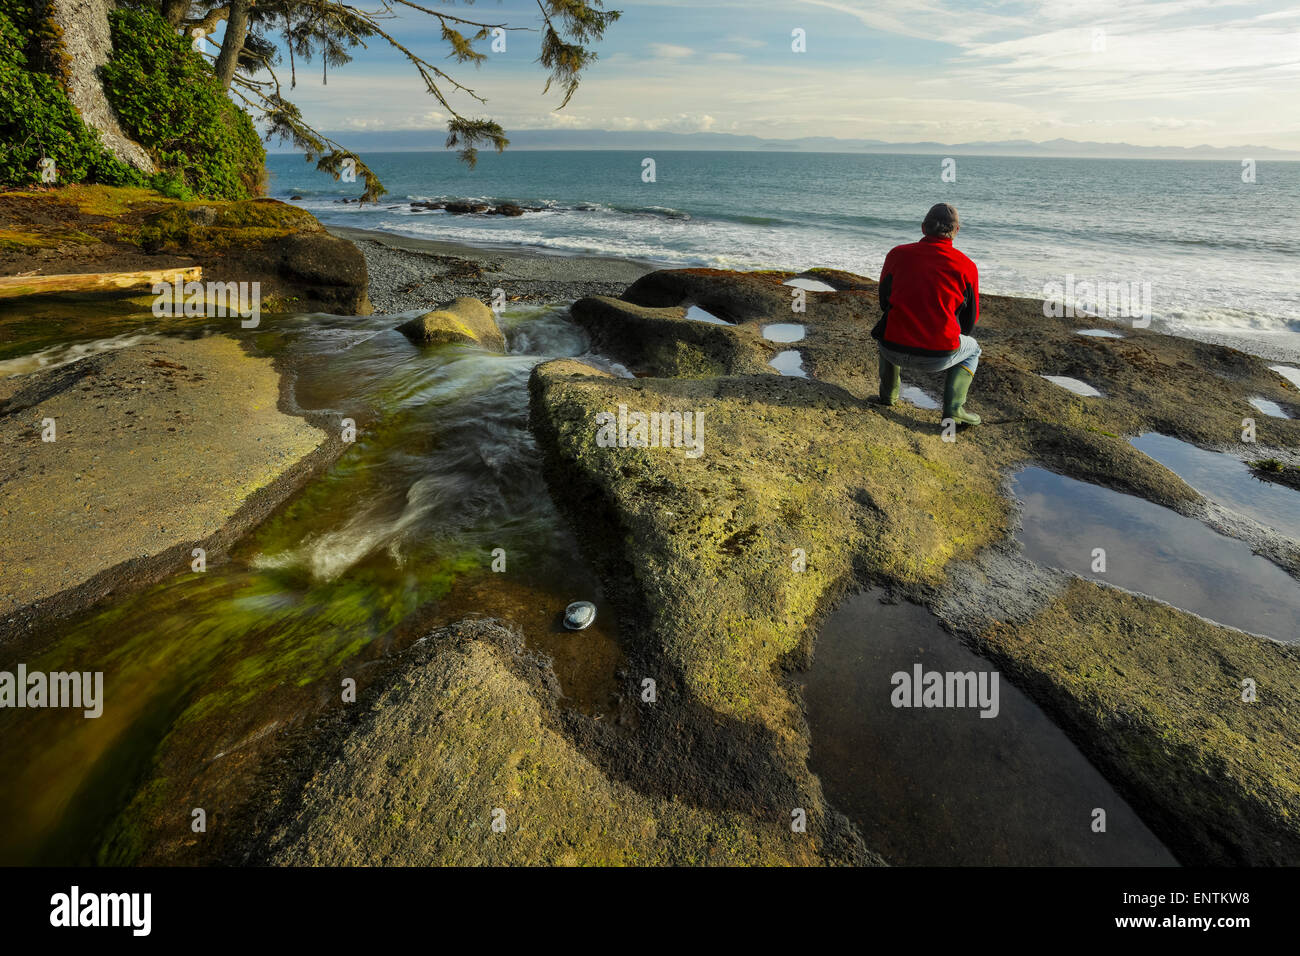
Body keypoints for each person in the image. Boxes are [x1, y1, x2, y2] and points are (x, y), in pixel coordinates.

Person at [871, 203, 982, 425]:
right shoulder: (966, 266)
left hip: (891, 349)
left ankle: (888, 396)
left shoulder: (896, 254)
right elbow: (971, 319)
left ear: (923, 228)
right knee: (973, 350)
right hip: (939, 357)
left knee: (888, 325)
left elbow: (884, 301)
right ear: (956, 230)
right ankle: (954, 410)